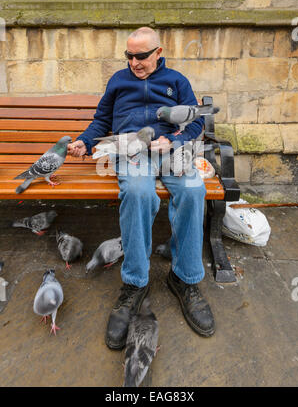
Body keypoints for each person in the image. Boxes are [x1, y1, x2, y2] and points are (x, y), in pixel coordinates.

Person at [68, 27, 215, 349]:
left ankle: (185, 279)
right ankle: (135, 284)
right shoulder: (118, 81)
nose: (135, 62)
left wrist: (174, 139)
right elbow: (101, 119)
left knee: (192, 191)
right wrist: (84, 140)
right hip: (131, 148)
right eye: (129, 56)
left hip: (171, 150)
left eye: (142, 56)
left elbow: (195, 121)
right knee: (137, 193)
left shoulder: (177, 80)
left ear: (158, 52)